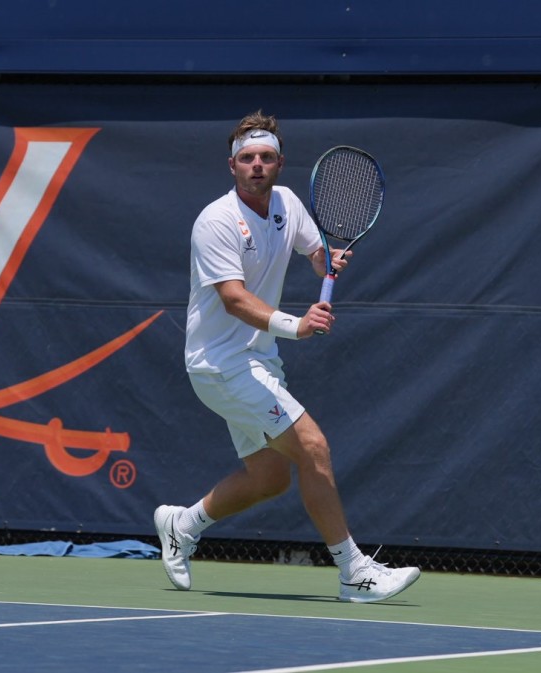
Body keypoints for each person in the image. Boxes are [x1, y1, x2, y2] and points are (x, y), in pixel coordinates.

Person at [154, 110, 420, 603]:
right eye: (247, 157)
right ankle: (354, 572)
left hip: (256, 361)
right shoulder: (215, 221)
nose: (257, 164)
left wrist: (326, 258)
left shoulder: (289, 204)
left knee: (270, 477)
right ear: (232, 166)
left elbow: (314, 251)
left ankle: (181, 524)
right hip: (219, 364)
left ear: (279, 164)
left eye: (266, 157)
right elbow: (233, 299)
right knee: (313, 446)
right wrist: (295, 325)